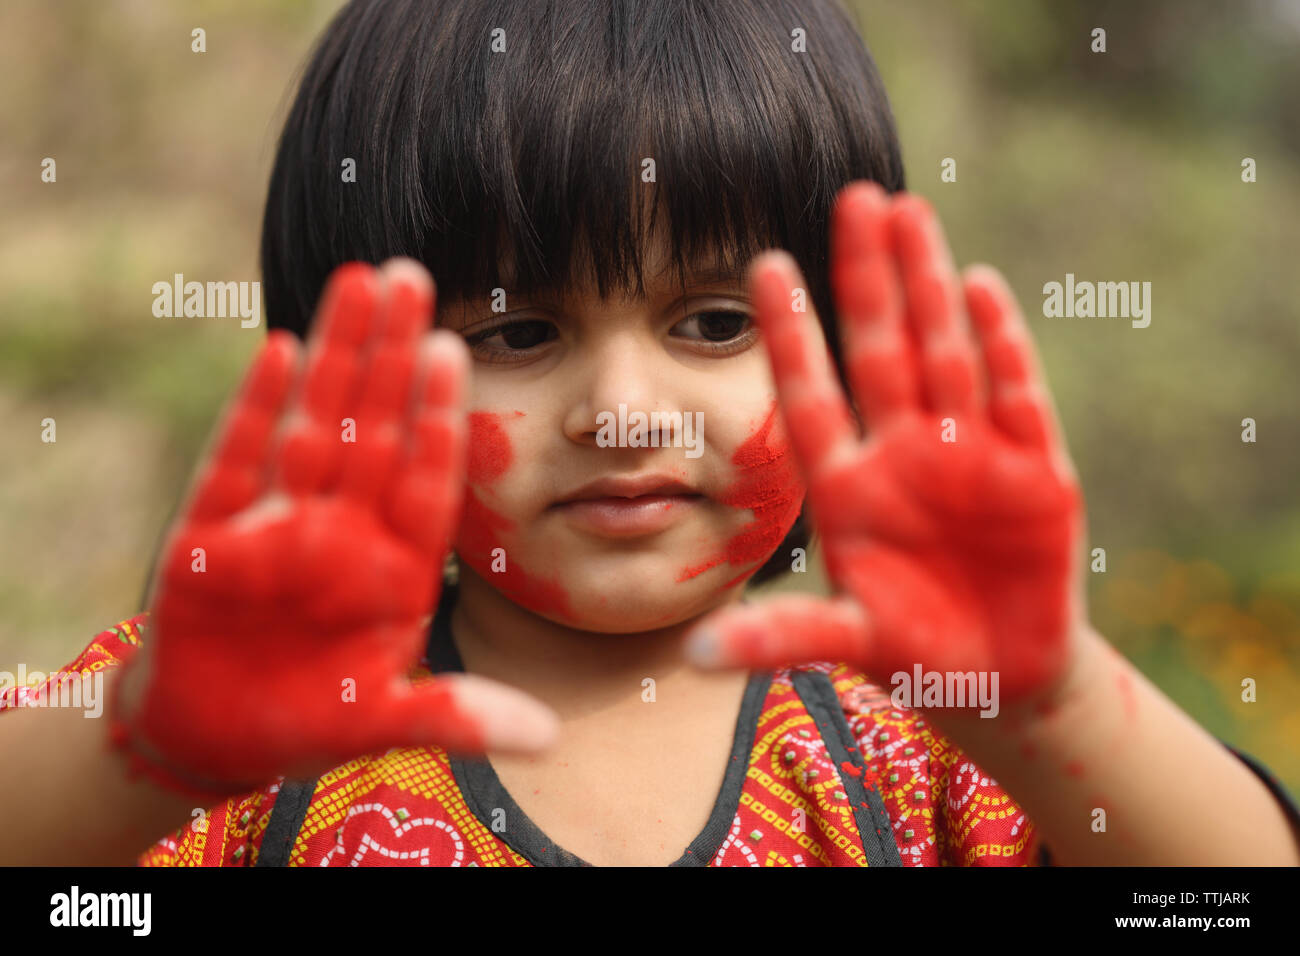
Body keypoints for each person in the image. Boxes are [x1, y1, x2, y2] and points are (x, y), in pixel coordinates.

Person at [3, 0, 1298, 868]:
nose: (623, 413)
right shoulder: (241, 714)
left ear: (852, 347)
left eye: (717, 321)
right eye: (518, 333)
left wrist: (1054, 700)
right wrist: (142, 755)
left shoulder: (926, 752)